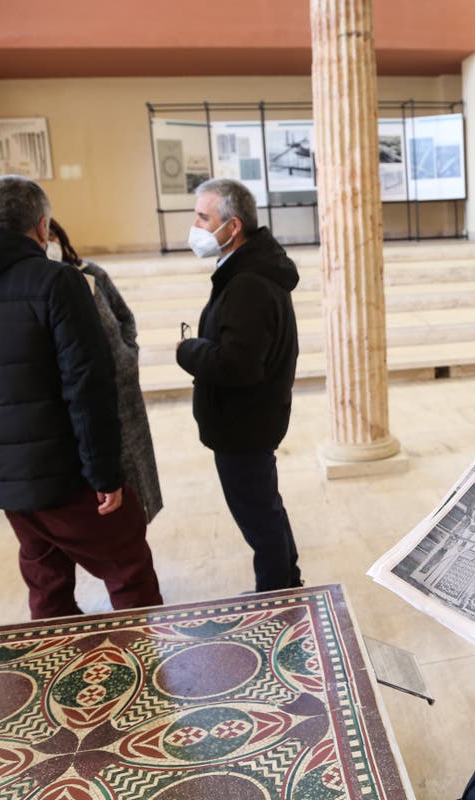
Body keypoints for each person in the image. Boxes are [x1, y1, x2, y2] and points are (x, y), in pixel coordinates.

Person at [0, 176, 162, 619]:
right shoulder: (56, 282)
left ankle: (54, 676)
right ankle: (147, 676)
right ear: (42, 226)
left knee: (45, 576)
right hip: (63, 472)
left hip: (0, 474)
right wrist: (105, 475)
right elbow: (87, 386)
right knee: (128, 569)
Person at [175, 177, 302, 592]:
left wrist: (188, 351)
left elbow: (237, 365)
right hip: (250, 420)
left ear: (232, 228)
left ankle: (276, 595)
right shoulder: (247, 271)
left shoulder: (247, 283)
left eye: (202, 217)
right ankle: (288, 580)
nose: (195, 226)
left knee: (257, 516)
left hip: (242, 424)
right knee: (264, 506)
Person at [48, 219, 163, 524]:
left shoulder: (90, 274)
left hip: (115, 390)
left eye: (52, 235)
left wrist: (126, 353)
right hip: (70, 403)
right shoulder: (33, 285)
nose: (48, 242)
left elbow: (124, 317)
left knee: (132, 492)